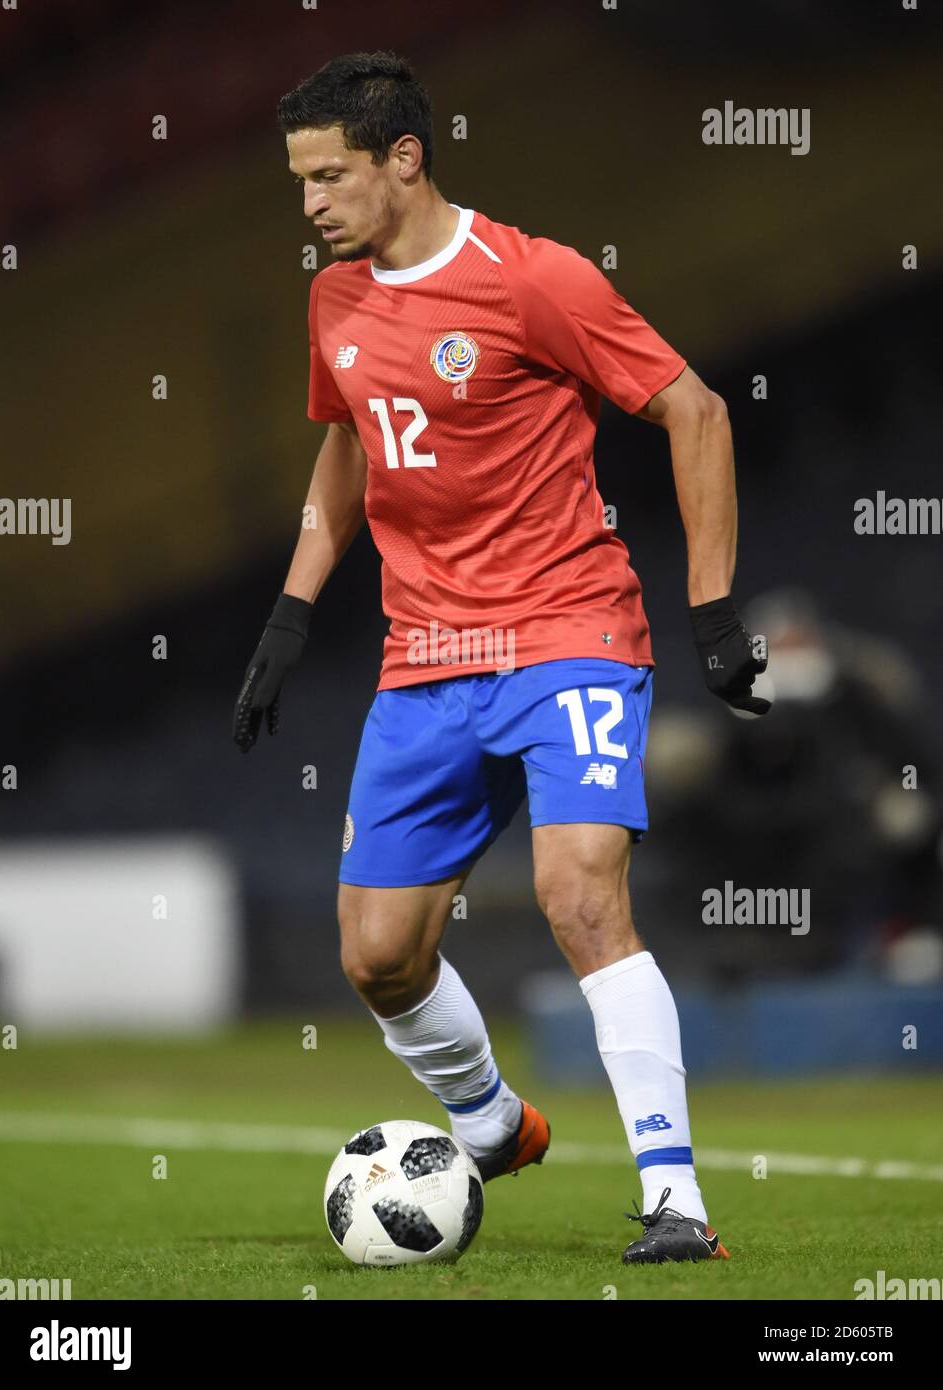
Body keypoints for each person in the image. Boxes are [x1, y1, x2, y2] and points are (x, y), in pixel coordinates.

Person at [234, 50, 768, 1263]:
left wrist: (714, 610)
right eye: (299, 180)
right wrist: (290, 613)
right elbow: (347, 448)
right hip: (425, 655)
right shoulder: (335, 302)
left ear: (405, 160)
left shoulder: (535, 280)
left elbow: (698, 409)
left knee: (579, 895)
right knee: (376, 958)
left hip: (568, 631)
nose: (310, 203)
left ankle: (675, 1198)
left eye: (330, 175)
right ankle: (490, 1121)